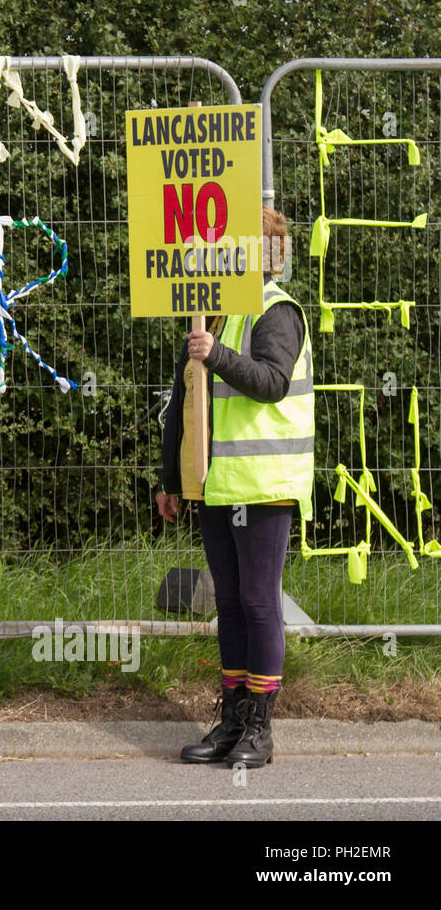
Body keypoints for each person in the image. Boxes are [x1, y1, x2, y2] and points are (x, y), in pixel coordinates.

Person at [155, 206, 313, 768]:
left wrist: (215, 354)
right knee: (230, 604)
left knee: (257, 601)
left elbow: (270, 383)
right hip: (216, 488)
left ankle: (260, 729)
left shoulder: (276, 312)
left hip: (265, 485)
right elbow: (185, 403)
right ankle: (232, 719)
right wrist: (171, 479)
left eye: (233, 251)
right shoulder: (213, 314)